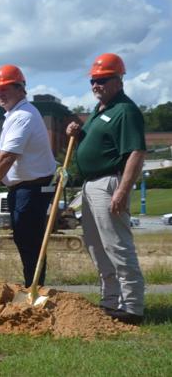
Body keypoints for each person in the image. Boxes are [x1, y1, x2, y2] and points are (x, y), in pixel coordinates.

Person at [66, 53, 146, 325]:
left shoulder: (125, 110)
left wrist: (122, 190)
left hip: (110, 181)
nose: (96, 85)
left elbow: (135, 152)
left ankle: (132, 305)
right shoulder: (100, 111)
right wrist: (77, 133)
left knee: (116, 244)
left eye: (102, 80)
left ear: (118, 80)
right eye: (93, 80)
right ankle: (111, 300)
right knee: (95, 246)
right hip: (90, 186)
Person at [0, 65, 55, 288]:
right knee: (24, 239)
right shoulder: (15, 115)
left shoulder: (23, 116)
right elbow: (6, 151)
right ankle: (32, 286)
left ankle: (34, 288)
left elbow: (8, 157)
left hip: (32, 189)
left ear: (21, 89)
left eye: (5, 89)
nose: (0, 94)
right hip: (23, 188)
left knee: (29, 241)